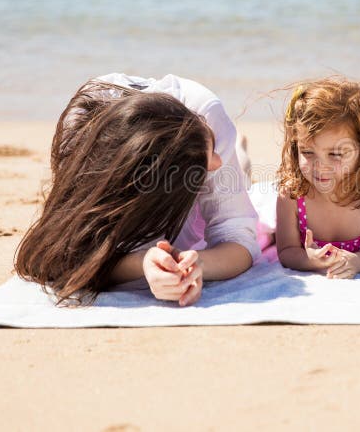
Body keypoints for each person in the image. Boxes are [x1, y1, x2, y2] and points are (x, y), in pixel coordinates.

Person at [14, 73, 260, 307]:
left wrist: (194, 266)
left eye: (210, 141)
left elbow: (238, 235)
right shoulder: (84, 130)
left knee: (238, 177)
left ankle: (240, 153)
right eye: (202, 165)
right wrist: (140, 264)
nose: (216, 162)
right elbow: (57, 255)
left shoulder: (206, 112)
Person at [275, 77, 360, 279]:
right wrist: (309, 260)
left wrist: (358, 261)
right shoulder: (292, 194)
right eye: (307, 152)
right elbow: (287, 252)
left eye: (336, 154)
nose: (320, 167)